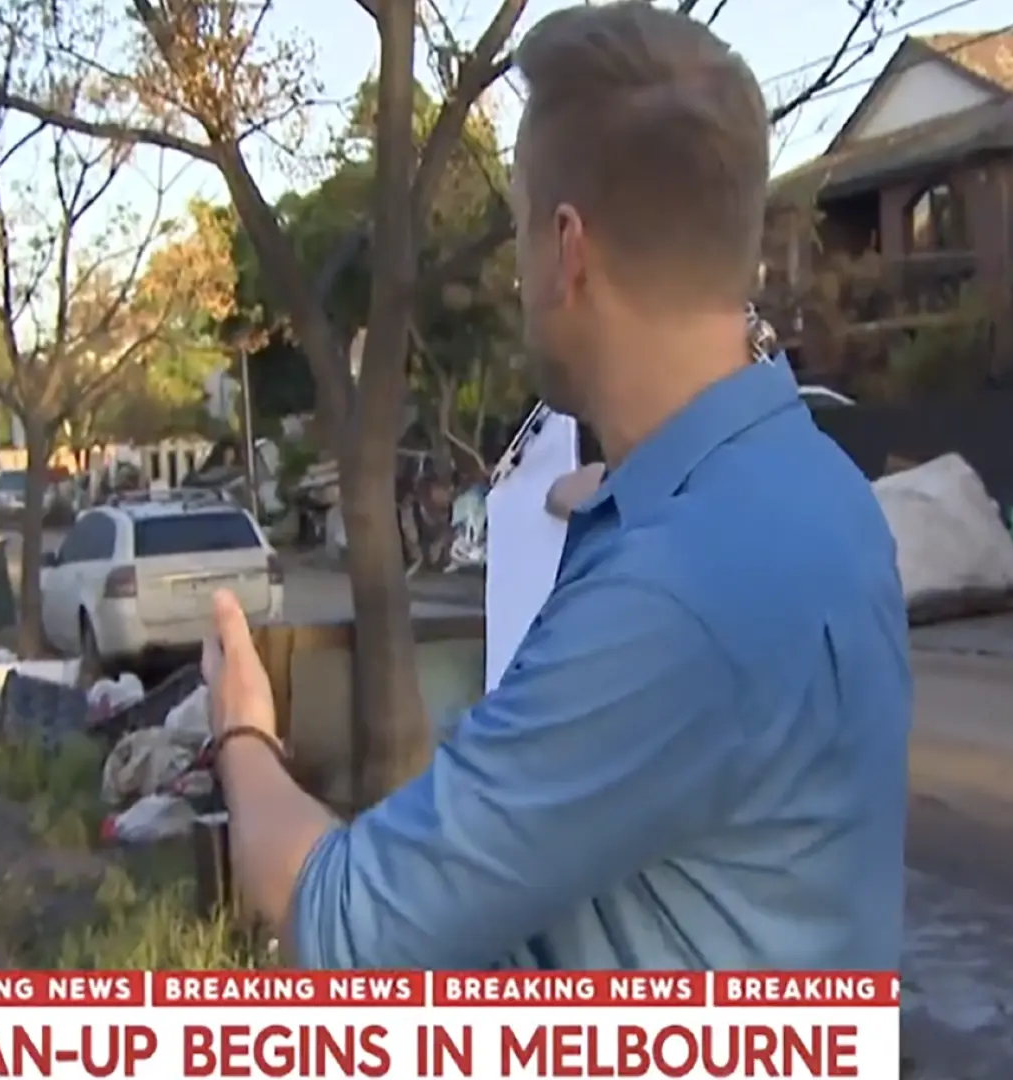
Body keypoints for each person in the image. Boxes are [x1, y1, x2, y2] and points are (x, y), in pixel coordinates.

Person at [200, 0, 911, 970]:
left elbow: (341, 924)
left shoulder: (674, 596)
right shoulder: (815, 489)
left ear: (568, 248)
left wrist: (241, 727)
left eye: (522, 224)